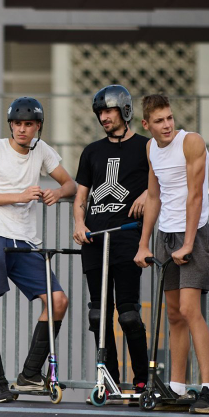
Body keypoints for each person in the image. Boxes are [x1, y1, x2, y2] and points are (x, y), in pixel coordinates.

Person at [0, 96, 77, 403]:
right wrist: (19, 195)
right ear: (11, 125)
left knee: (58, 300)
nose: (22, 129)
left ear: (37, 127)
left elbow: (70, 183)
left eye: (28, 124)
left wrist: (58, 192)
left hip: (26, 242)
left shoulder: (42, 151)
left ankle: (30, 374)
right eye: (17, 123)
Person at [133, 94, 209, 413]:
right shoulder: (150, 147)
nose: (167, 125)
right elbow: (154, 196)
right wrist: (144, 243)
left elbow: (196, 194)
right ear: (147, 125)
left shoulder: (191, 142)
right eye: (159, 120)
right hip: (166, 233)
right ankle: (178, 386)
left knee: (189, 308)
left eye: (169, 118)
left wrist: (188, 242)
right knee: (172, 313)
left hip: (194, 232)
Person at [73, 85, 150, 393]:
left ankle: (142, 379)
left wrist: (147, 194)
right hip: (93, 239)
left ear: (125, 111)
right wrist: (79, 223)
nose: (104, 117)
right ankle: (110, 379)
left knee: (129, 313)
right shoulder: (91, 151)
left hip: (127, 237)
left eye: (109, 111)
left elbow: (166, 180)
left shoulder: (146, 147)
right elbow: (81, 195)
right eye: (101, 113)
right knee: (98, 314)